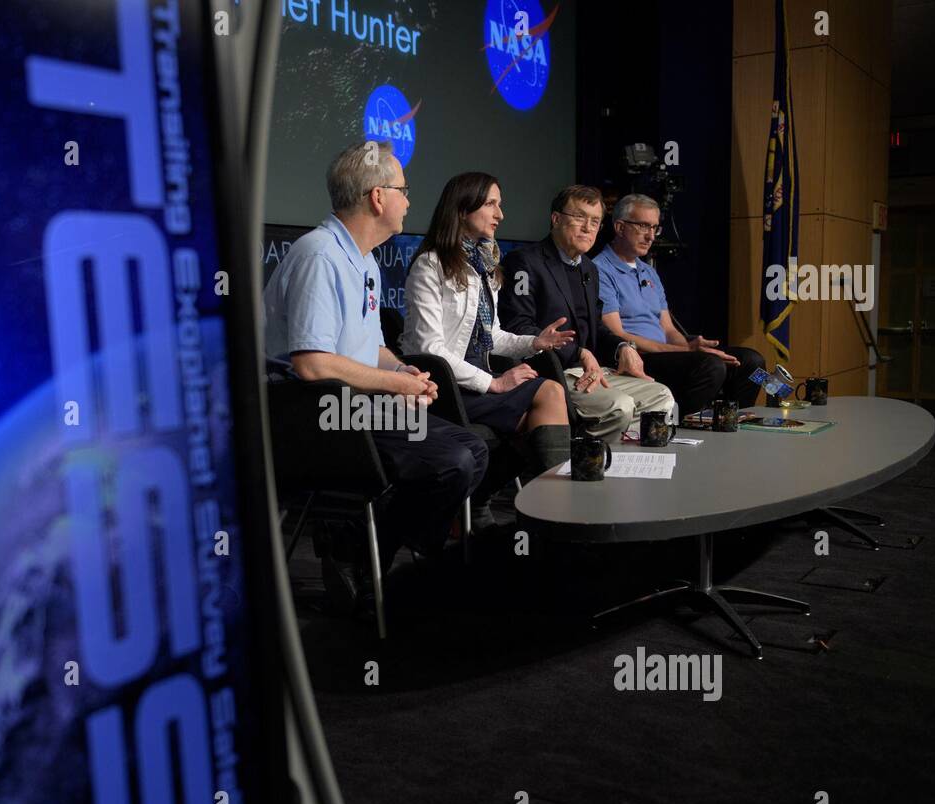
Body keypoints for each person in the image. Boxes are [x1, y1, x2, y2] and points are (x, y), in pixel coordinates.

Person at [263, 140, 488, 602]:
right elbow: (312, 363)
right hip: (313, 417)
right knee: (452, 461)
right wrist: (396, 384)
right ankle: (367, 556)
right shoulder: (321, 256)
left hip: (349, 406)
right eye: (403, 189)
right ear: (377, 197)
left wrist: (405, 370)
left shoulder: (362, 258)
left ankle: (364, 551)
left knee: (472, 446)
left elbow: (372, 348)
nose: (409, 200)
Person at [401, 172, 577, 490]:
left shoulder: (485, 266)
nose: (500, 214)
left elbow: (490, 335)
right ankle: (554, 515)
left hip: (477, 385)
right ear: (462, 209)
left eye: (500, 204)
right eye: (491, 204)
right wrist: (494, 383)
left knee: (545, 406)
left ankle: (486, 506)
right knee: (546, 402)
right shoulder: (430, 265)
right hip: (445, 390)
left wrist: (533, 341)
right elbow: (429, 348)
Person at [498, 184, 674, 441]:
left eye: (595, 221)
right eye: (579, 217)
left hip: (591, 370)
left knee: (660, 397)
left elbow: (598, 329)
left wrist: (623, 347)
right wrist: (578, 352)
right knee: (619, 406)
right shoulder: (524, 263)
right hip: (552, 371)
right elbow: (518, 328)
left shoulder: (589, 270)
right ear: (556, 219)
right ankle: (587, 462)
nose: (588, 227)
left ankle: (624, 461)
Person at [595, 193, 766, 416]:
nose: (650, 236)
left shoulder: (648, 271)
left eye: (655, 228)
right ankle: (681, 427)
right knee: (710, 365)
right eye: (643, 226)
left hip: (669, 353)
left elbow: (668, 329)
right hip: (637, 358)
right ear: (619, 227)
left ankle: (733, 421)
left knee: (752, 361)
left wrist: (688, 346)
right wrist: (686, 350)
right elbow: (616, 333)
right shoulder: (600, 269)